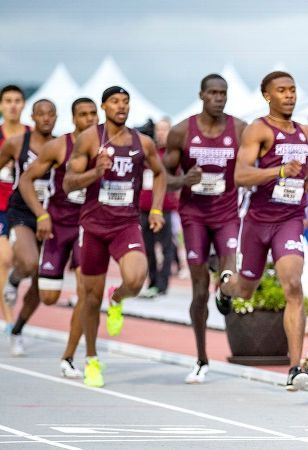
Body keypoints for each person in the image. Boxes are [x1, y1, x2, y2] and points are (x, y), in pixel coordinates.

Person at [216, 71, 308, 391]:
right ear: (268, 96)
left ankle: (295, 368)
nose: (289, 96)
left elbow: (305, 161)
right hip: (257, 221)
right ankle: (225, 286)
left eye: (293, 90)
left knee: (293, 286)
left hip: (290, 219)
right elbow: (240, 175)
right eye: (281, 91)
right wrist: (278, 171)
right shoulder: (258, 130)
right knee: (245, 290)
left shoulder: (304, 131)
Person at [64, 86, 166, 387]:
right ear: (104, 106)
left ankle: (118, 297)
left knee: (136, 279)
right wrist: (95, 172)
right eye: (114, 102)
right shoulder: (89, 139)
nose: (121, 107)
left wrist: (157, 209)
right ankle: (92, 359)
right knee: (90, 298)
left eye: (125, 102)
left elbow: (160, 174)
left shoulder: (142, 142)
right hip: (94, 225)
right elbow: (69, 183)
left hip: (125, 224)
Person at [162, 74, 246, 383]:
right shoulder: (182, 132)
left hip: (226, 214)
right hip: (194, 215)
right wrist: (183, 181)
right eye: (212, 93)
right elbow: (163, 177)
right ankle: (201, 358)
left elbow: (251, 165)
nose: (219, 98)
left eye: (223, 93)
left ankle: (225, 291)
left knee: (229, 272)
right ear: (201, 95)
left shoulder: (240, 129)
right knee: (199, 291)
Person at [9, 98, 97, 376]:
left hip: (83, 225)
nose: (90, 119)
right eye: (84, 115)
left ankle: (68, 355)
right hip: (43, 218)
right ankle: (14, 289)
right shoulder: (52, 146)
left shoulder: (102, 146)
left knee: (82, 292)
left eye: (94, 114)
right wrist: (42, 215)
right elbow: (23, 179)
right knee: (38, 280)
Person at [0, 99, 57, 356]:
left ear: (56, 117)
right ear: (32, 116)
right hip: (21, 212)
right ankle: (12, 281)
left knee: (41, 287)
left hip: (52, 216)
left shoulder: (62, 145)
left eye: (50, 114)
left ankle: (17, 330)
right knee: (29, 262)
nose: (46, 118)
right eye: (41, 114)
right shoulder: (16, 143)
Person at [139, 117, 179, 298]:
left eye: (165, 129)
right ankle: (152, 281)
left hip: (165, 208)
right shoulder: (148, 150)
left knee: (167, 248)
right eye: (159, 129)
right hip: (144, 207)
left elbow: (177, 179)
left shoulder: (172, 154)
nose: (161, 133)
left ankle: (163, 285)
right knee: (147, 248)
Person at [0, 85, 29, 334]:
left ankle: (12, 289)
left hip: (25, 208)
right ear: (1, 105)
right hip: (1, 208)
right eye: (8, 100)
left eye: (17, 100)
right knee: (5, 258)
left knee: (24, 261)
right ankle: (8, 318)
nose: (13, 105)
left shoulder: (32, 136)